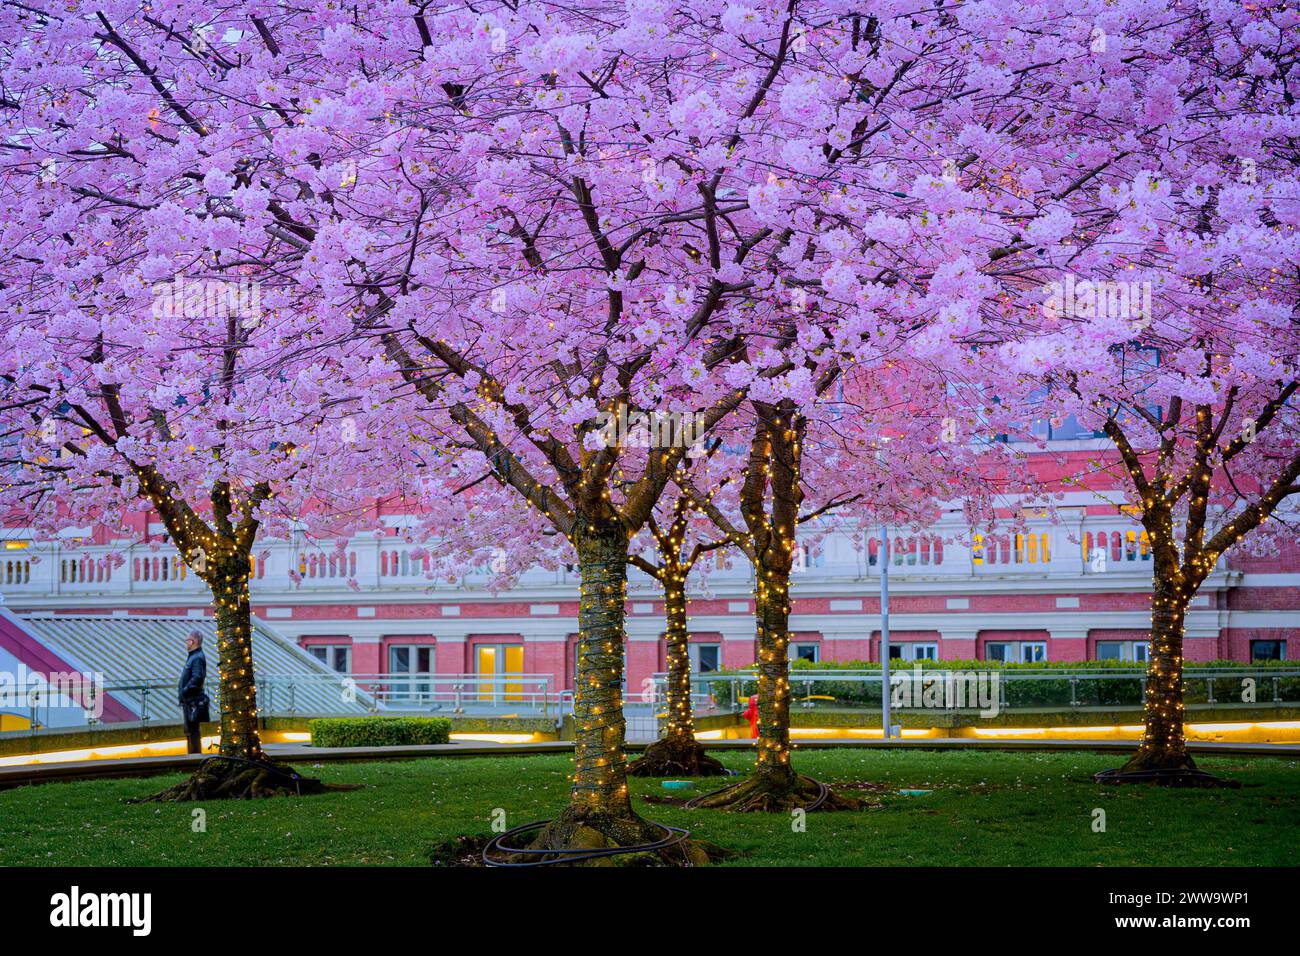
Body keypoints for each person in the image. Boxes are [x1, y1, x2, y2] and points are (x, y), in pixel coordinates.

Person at [178, 630, 209, 754]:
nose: (186, 643)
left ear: (194, 641)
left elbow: (197, 677)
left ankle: (194, 757)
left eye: (187, 640)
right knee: (190, 730)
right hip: (189, 700)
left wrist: (185, 690)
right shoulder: (194, 656)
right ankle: (193, 756)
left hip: (192, 701)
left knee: (193, 730)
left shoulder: (196, 658)